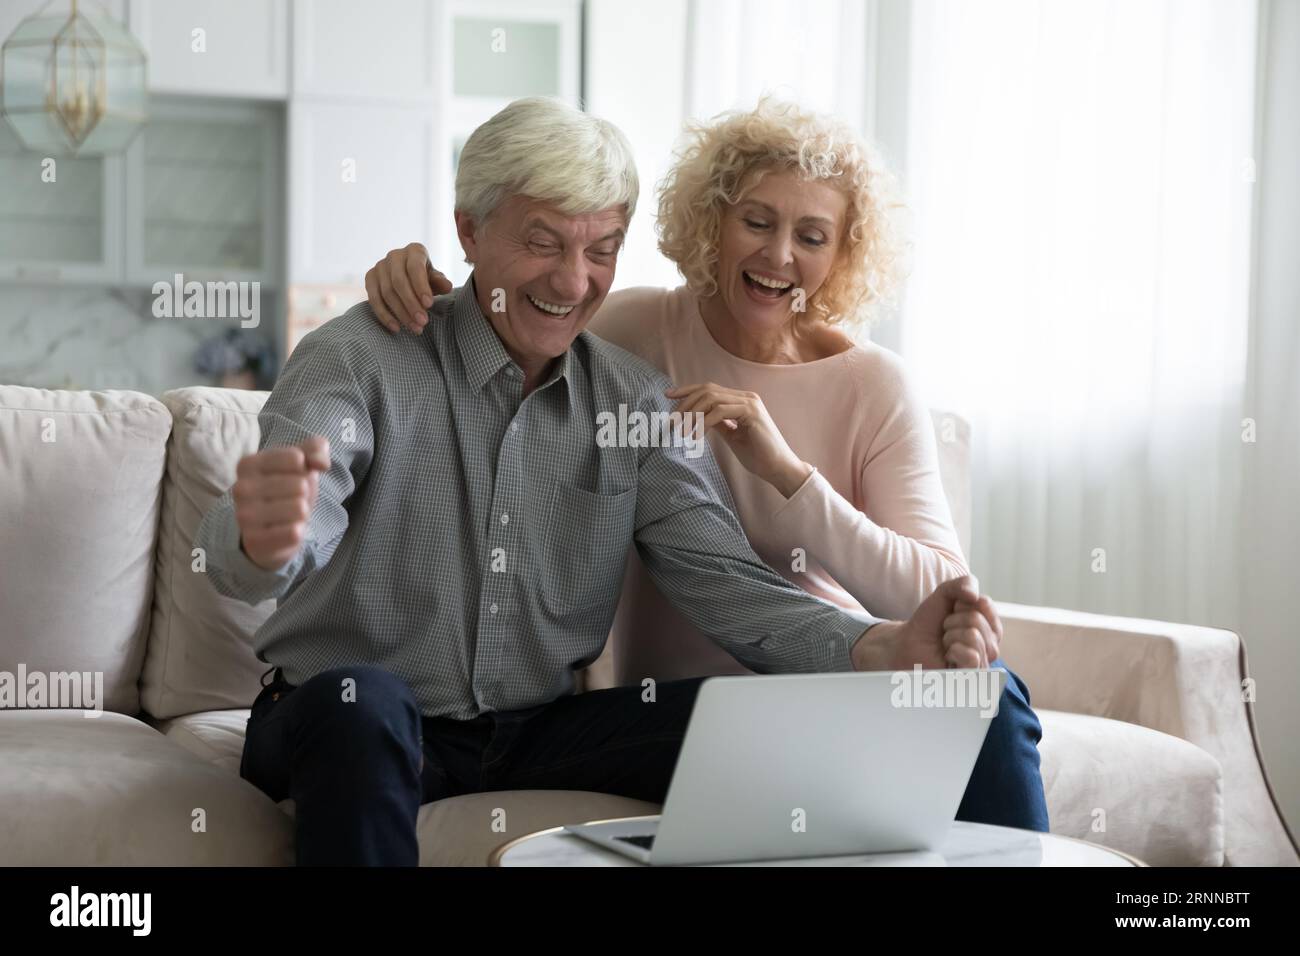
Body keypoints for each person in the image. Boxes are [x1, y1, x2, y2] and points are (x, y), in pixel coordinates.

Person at [196, 97, 1039, 866]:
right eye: (540, 242)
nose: (572, 282)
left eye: (599, 250)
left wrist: (879, 647)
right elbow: (277, 541)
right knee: (365, 698)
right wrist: (265, 539)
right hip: (347, 713)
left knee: (813, 721)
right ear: (468, 230)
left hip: (535, 731)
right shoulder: (362, 356)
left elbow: (726, 583)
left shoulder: (632, 395)